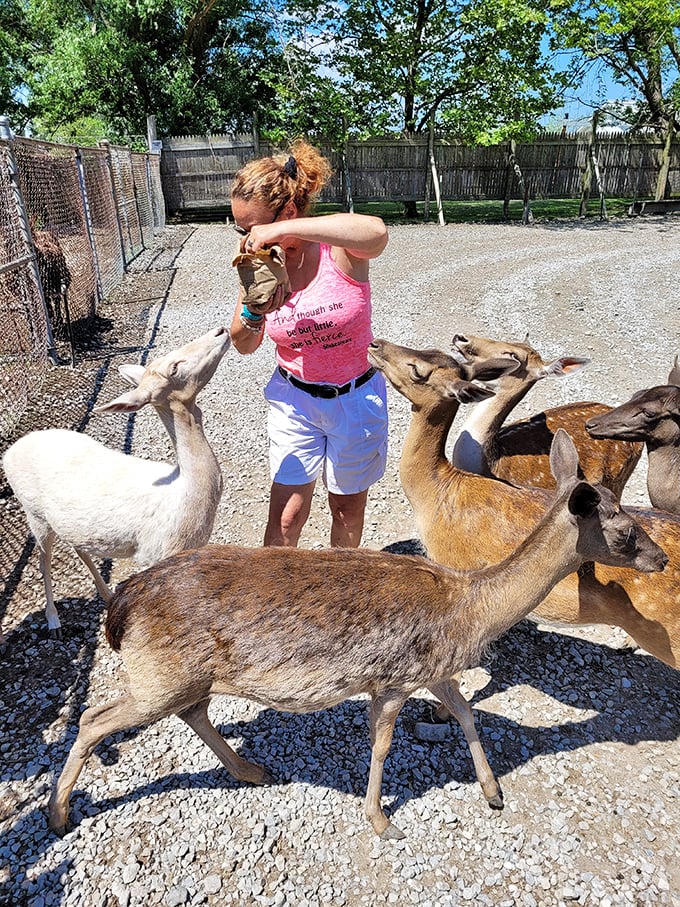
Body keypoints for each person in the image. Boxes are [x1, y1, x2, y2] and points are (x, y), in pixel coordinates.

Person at [229, 138, 389, 548]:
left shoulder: (340, 251)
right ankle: (272, 602)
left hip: (356, 398)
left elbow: (376, 232)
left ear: (286, 212)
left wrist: (282, 231)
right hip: (295, 400)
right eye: (240, 229)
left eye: (253, 228)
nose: (247, 239)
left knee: (347, 512)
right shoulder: (260, 265)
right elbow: (244, 343)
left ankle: (337, 600)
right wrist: (253, 311)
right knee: (286, 518)